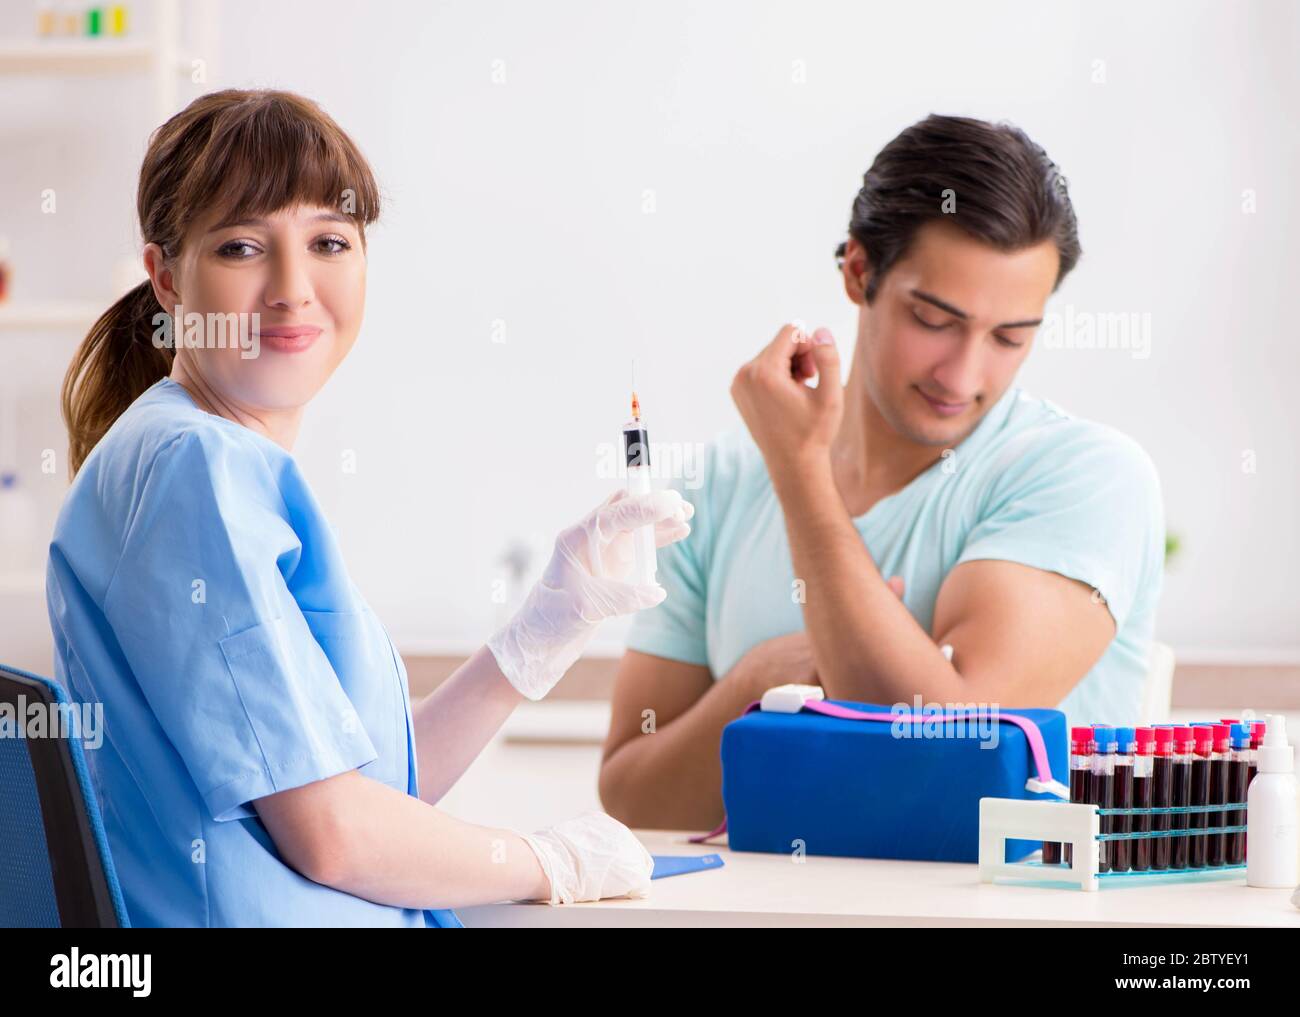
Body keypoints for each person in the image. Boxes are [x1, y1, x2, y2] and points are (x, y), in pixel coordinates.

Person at [46, 88, 693, 927]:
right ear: (168, 279)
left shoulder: (200, 459)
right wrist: (544, 860)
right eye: (243, 246)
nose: (292, 288)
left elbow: (372, 792)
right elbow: (336, 838)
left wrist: (535, 640)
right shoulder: (195, 469)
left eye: (328, 242)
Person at [599, 114, 1164, 832]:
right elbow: (631, 793)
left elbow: (947, 759)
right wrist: (755, 687)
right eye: (933, 319)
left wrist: (800, 472)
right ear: (860, 272)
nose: (964, 373)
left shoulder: (1090, 476)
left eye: (1010, 337)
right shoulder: (719, 482)